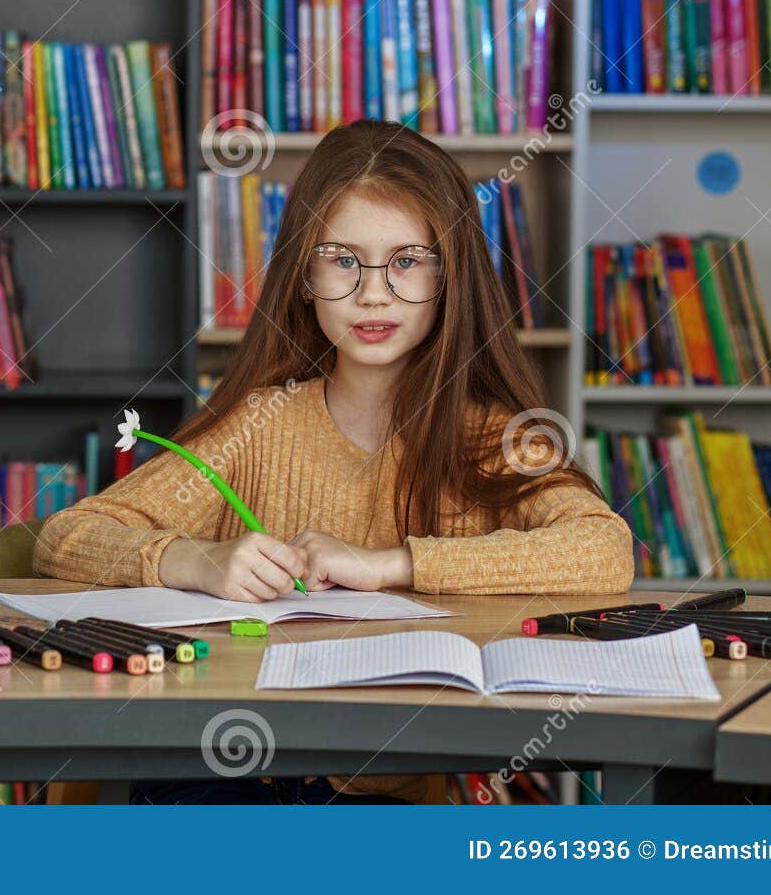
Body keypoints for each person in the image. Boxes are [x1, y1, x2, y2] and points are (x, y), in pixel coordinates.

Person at [34, 121, 633, 803]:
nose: (373, 294)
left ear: (451, 277)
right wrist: (197, 559)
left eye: (408, 261)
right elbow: (70, 536)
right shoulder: (261, 420)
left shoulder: (493, 435)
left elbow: (605, 549)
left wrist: (387, 565)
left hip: (395, 785)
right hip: (229, 772)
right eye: (342, 260)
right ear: (304, 277)